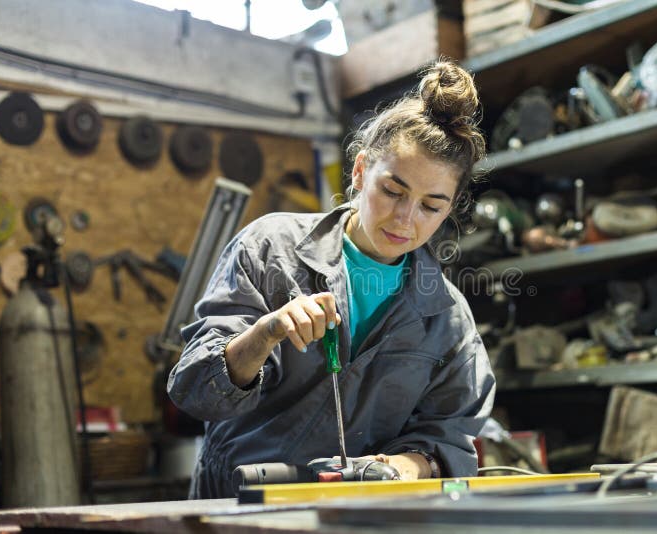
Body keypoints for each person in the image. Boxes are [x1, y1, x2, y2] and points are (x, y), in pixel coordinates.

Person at [167, 60, 496, 499]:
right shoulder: (270, 250)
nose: (405, 218)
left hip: (362, 519)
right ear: (360, 171)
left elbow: (450, 439)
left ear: (450, 207)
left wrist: (403, 466)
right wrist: (267, 332)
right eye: (393, 191)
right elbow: (193, 391)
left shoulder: (448, 319)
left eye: (431, 206)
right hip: (238, 507)